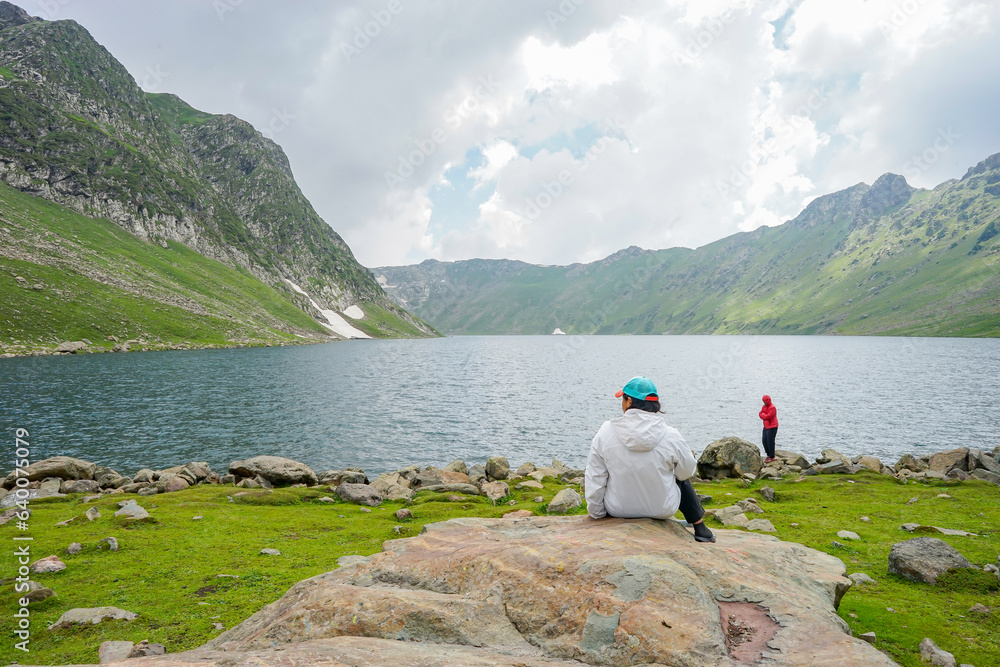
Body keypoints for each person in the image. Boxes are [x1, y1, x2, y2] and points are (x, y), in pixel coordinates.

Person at [585, 376, 716, 543]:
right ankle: (700, 528)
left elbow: (595, 476)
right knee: (679, 476)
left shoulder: (606, 432)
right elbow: (687, 471)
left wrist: (597, 514)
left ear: (629, 401)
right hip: (661, 509)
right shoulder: (671, 435)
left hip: (618, 509)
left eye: (623, 399)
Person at [759, 394, 778, 463]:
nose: (764, 403)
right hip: (766, 426)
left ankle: (772, 456)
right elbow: (760, 414)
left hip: (773, 426)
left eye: (764, 401)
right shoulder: (764, 407)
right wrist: (764, 415)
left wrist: (763, 415)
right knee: (764, 440)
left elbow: (768, 416)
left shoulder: (772, 407)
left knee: (770, 441)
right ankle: (768, 455)